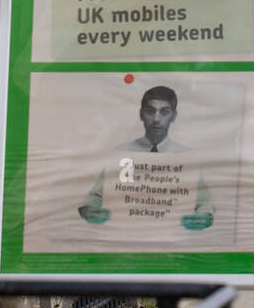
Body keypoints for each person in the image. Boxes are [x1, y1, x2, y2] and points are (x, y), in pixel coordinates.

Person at [78, 85, 215, 230]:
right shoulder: (123, 153)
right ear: (141, 114)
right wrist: (89, 209)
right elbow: (97, 195)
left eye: (164, 112)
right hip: (125, 233)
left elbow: (204, 201)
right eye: (150, 111)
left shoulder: (186, 157)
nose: (156, 119)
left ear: (174, 116)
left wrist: (204, 215)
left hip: (171, 237)